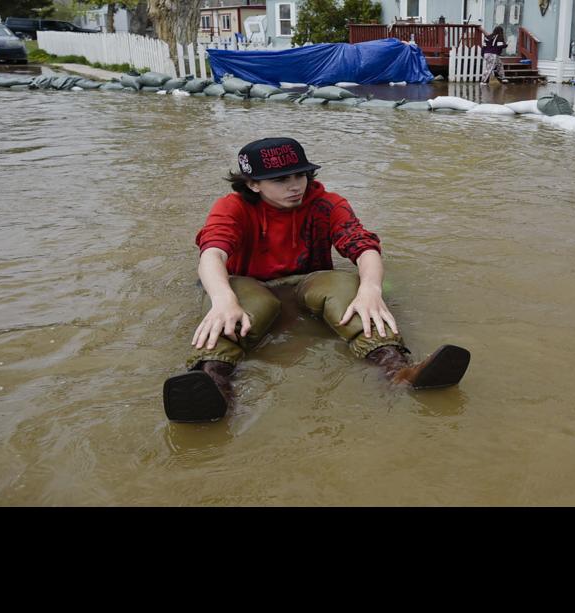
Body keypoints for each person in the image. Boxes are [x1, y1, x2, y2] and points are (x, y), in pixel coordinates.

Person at [163, 137, 470, 423]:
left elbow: (364, 249)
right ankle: (214, 384)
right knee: (232, 310)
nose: (295, 186)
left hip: (309, 283)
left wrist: (371, 290)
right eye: (281, 179)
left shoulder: (327, 204)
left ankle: (398, 371)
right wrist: (222, 300)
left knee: (349, 290)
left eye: (300, 175)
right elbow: (212, 254)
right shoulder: (232, 208)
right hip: (251, 284)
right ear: (252, 184)